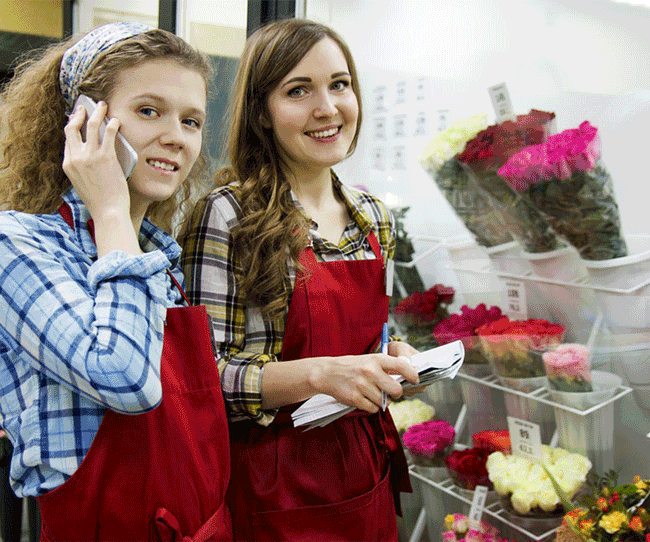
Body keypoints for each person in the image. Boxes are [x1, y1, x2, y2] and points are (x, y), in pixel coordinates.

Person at [180, 18, 422, 542]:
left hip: (364, 468)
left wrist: (392, 354)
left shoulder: (373, 215)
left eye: (339, 84)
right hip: (272, 486)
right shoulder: (227, 216)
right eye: (298, 91)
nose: (328, 108)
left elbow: (368, 338)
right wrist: (318, 375)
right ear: (262, 113)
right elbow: (202, 381)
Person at [0, 22, 232, 541]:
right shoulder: (16, 244)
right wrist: (109, 207)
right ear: (84, 121)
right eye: (149, 111)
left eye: (191, 120)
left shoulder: (156, 256)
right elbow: (125, 381)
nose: (176, 136)